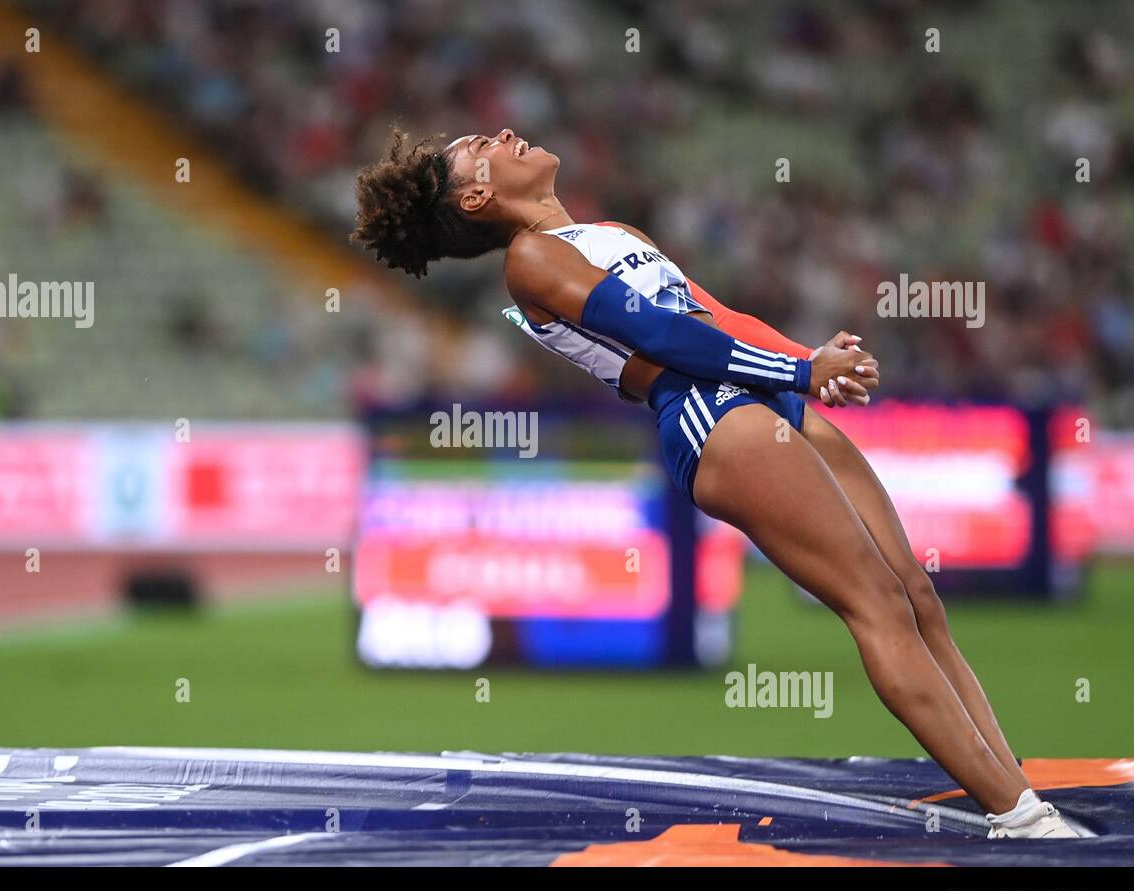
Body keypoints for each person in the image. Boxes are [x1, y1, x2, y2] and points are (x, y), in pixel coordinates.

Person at [352, 127, 1078, 838]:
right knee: (876, 603)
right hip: (710, 412)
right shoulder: (531, 260)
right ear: (477, 197)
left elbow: (719, 317)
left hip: (764, 394)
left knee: (916, 596)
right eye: (479, 147)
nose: (503, 133)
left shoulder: (604, 232)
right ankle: (1021, 821)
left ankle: (1010, 786)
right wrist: (799, 373)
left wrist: (812, 363)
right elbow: (662, 340)